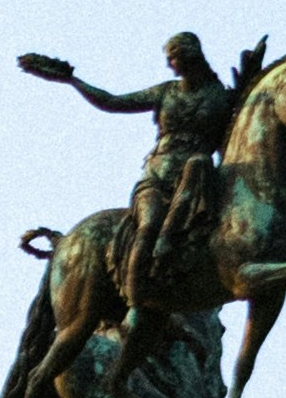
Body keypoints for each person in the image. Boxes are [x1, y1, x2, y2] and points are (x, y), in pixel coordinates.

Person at [19, 31, 249, 329]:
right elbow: (113, 101)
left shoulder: (220, 98)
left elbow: (240, 137)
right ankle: (136, 297)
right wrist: (73, 81)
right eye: (169, 60)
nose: (172, 66)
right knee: (149, 223)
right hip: (157, 177)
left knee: (199, 165)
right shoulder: (166, 92)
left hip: (199, 185)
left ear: (192, 56)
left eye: (175, 58)